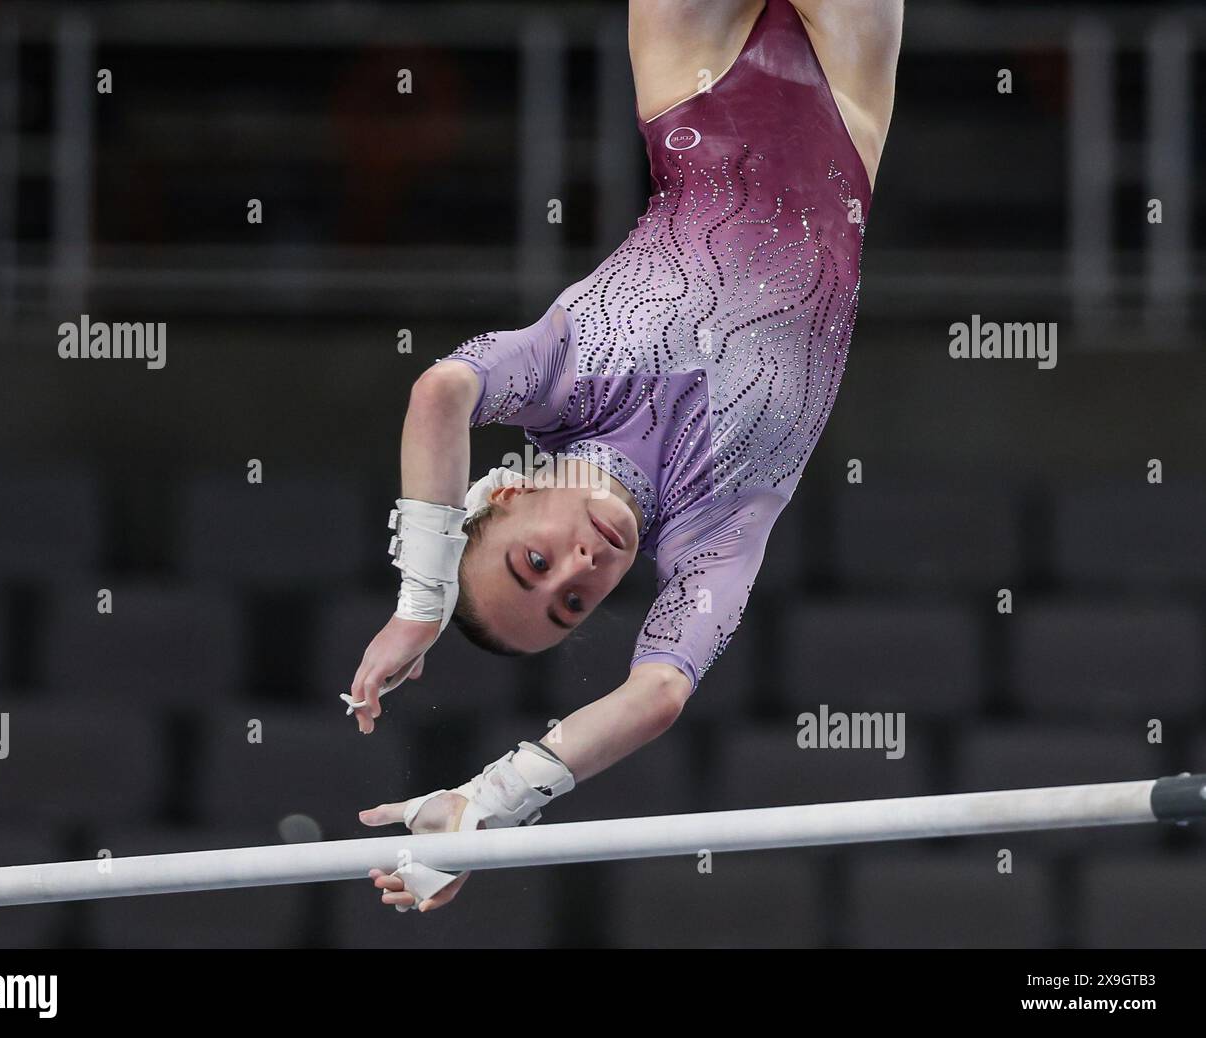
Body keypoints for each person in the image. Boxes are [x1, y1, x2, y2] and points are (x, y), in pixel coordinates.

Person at [347, 0, 903, 912]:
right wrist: (489, 803)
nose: (580, 567)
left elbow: (440, 393)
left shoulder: (557, 386)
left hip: (693, 80)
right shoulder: (716, 528)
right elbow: (656, 693)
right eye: (573, 603)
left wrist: (423, 600)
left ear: (503, 497)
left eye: (534, 562)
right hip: (848, 103)